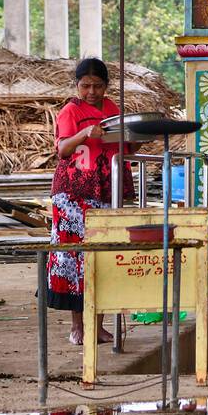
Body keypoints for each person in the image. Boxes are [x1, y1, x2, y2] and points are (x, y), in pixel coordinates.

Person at [48, 58, 132, 346]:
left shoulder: (111, 109)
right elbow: (62, 149)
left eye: (97, 86)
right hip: (73, 195)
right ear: (77, 86)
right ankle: (78, 327)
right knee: (76, 259)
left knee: (103, 259)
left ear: (107, 87)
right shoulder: (70, 111)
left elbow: (124, 142)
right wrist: (84, 133)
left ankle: (98, 326)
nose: (92, 92)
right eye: (86, 86)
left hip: (106, 190)